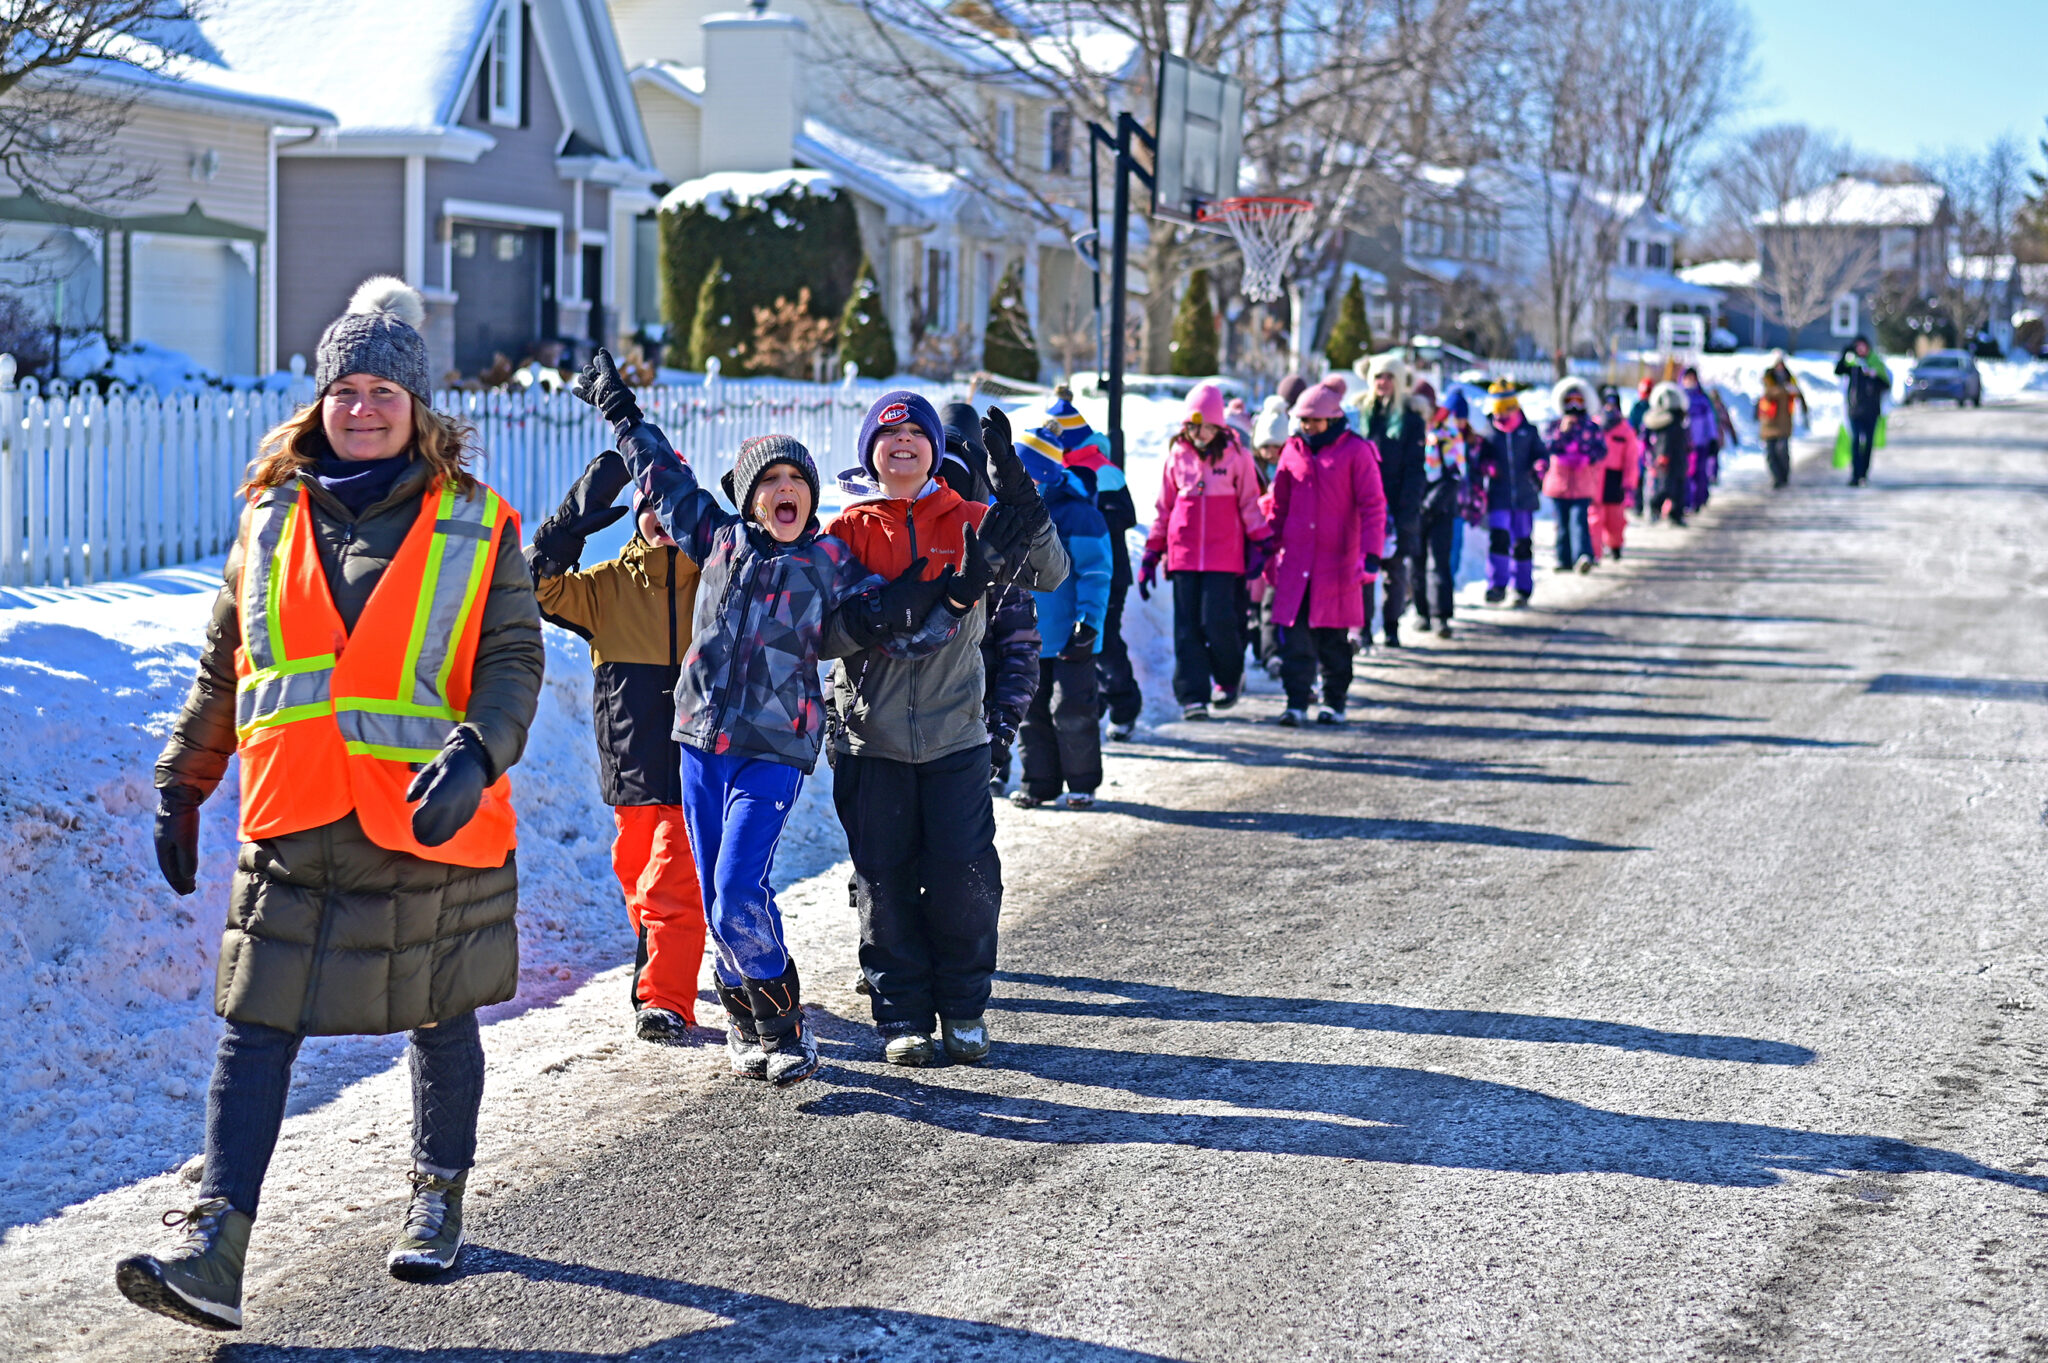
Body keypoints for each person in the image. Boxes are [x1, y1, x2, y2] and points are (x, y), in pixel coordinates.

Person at [123, 278, 545, 1328]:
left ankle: (436, 1195)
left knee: (440, 1014)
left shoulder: (476, 523)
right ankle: (213, 1247)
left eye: (381, 390)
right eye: (343, 389)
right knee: (253, 1023)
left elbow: (511, 660)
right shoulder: (268, 516)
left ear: (417, 406)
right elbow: (229, 663)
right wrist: (186, 778)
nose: (361, 407)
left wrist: (478, 751)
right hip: (295, 808)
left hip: (425, 813)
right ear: (319, 402)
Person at [583, 358, 964, 1087]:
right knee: (717, 889)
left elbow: (887, 624)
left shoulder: (827, 562)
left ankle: (787, 1027)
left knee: (735, 888)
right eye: (769, 482)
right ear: (748, 498)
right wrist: (623, 414)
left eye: (797, 481)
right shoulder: (718, 540)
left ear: (812, 497)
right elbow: (663, 476)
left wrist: (942, 605)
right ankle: (743, 1015)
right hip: (699, 741)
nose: (784, 490)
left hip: (775, 747)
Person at [826, 394, 1069, 1068]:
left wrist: (1021, 494)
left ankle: (963, 1007)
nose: (901, 444)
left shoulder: (972, 518)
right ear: (869, 450)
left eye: (914, 434)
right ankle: (903, 1013)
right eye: (888, 434)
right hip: (869, 741)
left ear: (935, 448)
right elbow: (816, 632)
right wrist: (879, 615)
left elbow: (1051, 571)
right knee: (884, 882)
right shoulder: (845, 532)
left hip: (955, 737)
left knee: (964, 879)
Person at [527, 457, 707, 1041]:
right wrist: (568, 526)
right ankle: (666, 948)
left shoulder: (714, 576)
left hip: (696, 753)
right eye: (649, 505)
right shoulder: (606, 585)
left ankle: (665, 997)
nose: (659, 517)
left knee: (669, 879)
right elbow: (537, 587)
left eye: (670, 503)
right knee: (634, 866)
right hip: (630, 754)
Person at [1139, 381, 1270, 721]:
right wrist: (1153, 552)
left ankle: (1228, 678)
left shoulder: (1237, 456)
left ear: (1220, 426)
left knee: (1218, 621)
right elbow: (1164, 509)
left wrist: (1261, 541)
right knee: (1187, 627)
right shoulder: (1176, 457)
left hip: (1223, 556)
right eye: (1195, 427)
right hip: (1183, 556)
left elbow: (1250, 506)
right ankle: (1192, 695)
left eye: (1209, 427)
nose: (1201, 434)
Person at [1264, 378, 1386, 726]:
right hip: (1297, 563)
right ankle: (1296, 701)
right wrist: (1268, 549)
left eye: (1314, 421)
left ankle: (1334, 699)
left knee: (1332, 639)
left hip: (1337, 564)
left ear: (1332, 419)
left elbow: (1373, 506)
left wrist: (1371, 554)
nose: (1307, 427)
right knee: (1296, 639)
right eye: (1302, 421)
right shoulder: (1292, 451)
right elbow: (1279, 506)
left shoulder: (1356, 452)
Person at [937, 404, 1040, 797]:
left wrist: (1001, 729)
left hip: (972, 728)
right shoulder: (901, 539)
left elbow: (1021, 649)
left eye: (957, 479)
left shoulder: (996, 547)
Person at [1011, 431, 1112, 809]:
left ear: (1044, 473)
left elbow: (1096, 573)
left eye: (1026, 472)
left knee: (1073, 709)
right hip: (1026, 635)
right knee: (1030, 712)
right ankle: (1040, 783)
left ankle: (1082, 782)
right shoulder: (1010, 512)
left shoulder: (1077, 513)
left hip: (1072, 635)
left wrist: (1089, 621)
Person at [1042, 398, 1141, 740]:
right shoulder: (1059, 469)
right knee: (1081, 644)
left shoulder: (1103, 469)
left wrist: (1091, 515)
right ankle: (1093, 703)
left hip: (1107, 573)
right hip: (1077, 576)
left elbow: (1126, 515)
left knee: (1104, 639)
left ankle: (1124, 704)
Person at [1352, 353, 1430, 647]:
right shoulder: (1359, 416)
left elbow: (1415, 469)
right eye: (1378, 377)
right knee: (1364, 570)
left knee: (1394, 572)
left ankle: (1391, 626)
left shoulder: (1410, 422)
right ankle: (1363, 630)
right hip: (1362, 505)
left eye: (1388, 377)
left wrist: (1407, 510)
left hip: (1396, 506)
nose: (1383, 383)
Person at [1479, 378, 1544, 606]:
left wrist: (1540, 467)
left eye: (1507, 409)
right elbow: (1480, 457)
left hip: (1524, 496)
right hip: (1499, 495)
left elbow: (1540, 453)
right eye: (1499, 411)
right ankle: (1497, 585)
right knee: (1499, 538)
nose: (1503, 416)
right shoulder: (1488, 432)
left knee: (1522, 542)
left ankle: (1523, 588)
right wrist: (1486, 465)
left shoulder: (1528, 430)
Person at [1415, 392, 1470, 638]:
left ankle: (1441, 615)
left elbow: (1454, 474)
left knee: (1438, 562)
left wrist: (1431, 503)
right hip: (1415, 507)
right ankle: (1421, 612)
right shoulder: (1410, 434)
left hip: (1441, 507)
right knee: (1416, 562)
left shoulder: (1447, 435)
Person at [1542, 377, 1602, 573]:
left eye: (1578, 400)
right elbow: (1547, 446)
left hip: (1582, 484)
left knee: (1579, 521)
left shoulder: (1590, 426)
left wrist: (1588, 458)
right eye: (1570, 401)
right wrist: (1561, 431)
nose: (1574, 406)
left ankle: (1583, 556)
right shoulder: (1555, 425)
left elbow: (1601, 450)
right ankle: (1563, 559)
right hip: (1559, 484)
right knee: (1562, 525)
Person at [1248, 393, 1291, 668]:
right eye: (1266, 447)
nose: (1271, 453)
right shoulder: (1252, 471)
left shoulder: (1289, 469)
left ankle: (1274, 651)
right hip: (1258, 545)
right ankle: (1263, 650)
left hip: (1281, 547)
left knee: (1274, 602)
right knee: (1256, 602)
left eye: (1277, 446)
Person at [1592, 387, 1643, 562]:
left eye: (1613, 404)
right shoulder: (1594, 425)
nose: (1610, 408)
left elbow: (1631, 459)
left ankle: (1615, 546)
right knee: (1594, 518)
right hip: (1596, 478)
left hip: (1615, 478)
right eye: (1607, 403)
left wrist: (1629, 484)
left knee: (1615, 519)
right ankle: (1594, 554)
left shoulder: (1625, 430)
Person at [1835, 338, 1890, 486]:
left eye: (1863, 347)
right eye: (1857, 347)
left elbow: (1886, 385)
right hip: (1854, 410)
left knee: (1868, 444)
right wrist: (1846, 353)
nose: (1860, 350)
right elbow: (1838, 370)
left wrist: (1874, 376)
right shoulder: (1853, 365)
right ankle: (1855, 474)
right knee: (1856, 441)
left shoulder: (1875, 363)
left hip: (1871, 411)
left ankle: (1864, 474)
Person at [1644, 381, 1693, 525]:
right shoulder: (1669, 421)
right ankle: (1655, 508)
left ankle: (1675, 515)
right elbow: (1664, 441)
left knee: (1678, 489)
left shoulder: (1676, 420)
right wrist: (1663, 456)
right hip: (1669, 459)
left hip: (1678, 458)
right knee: (1666, 488)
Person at [1757, 351, 1807, 489]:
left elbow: (1799, 395)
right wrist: (1784, 391)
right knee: (1771, 453)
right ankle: (1776, 477)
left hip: (1784, 422)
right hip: (1769, 422)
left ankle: (1784, 475)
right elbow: (1768, 394)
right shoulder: (1768, 379)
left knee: (1782, 450)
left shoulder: (1790, 380)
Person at [1679, 367, 1726, 512]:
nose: (1690, 381)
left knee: (1699, 473)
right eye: (1687, 378)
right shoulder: (1679, 398)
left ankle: (1698, 500)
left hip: (1701, 443)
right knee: (1686, 474)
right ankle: (1686, 501)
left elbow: (1711, 420)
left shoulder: (1703, 399)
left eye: (1692, 378)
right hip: (1684, 444)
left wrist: (1713, 438)